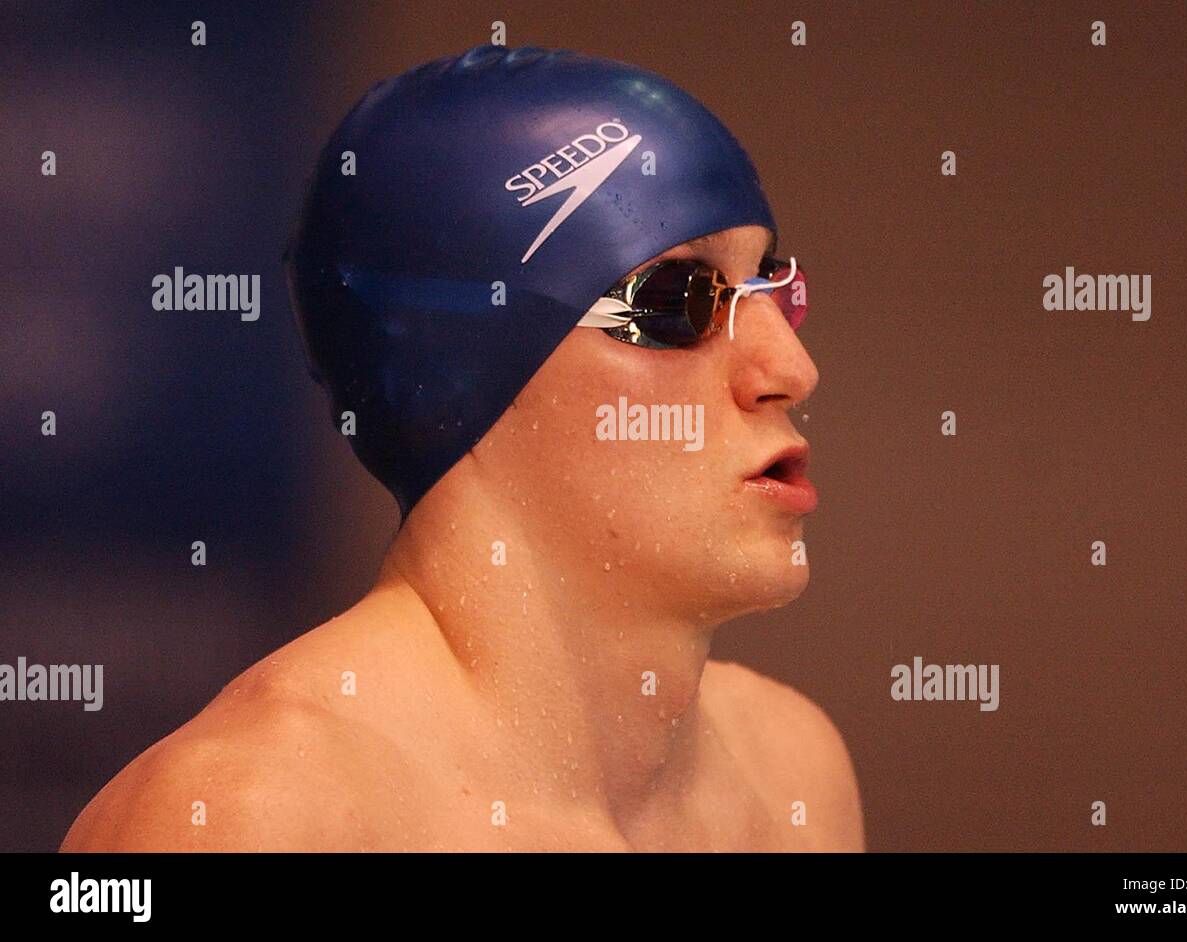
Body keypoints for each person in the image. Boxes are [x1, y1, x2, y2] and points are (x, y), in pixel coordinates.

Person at [61, 44, 863, 852]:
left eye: (773, 286)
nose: (791, 371)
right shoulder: (248, 816)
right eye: (675, 301)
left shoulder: (788, 771)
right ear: (455, 379)